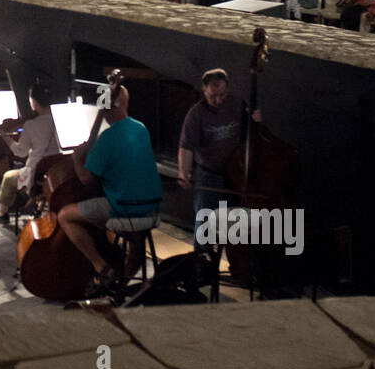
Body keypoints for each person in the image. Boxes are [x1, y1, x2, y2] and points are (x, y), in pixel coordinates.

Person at [56, 84, 162, 296]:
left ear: (107, 107)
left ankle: (102, 268)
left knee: (64, 215)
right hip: (152, 208)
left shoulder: (107, 138)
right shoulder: (141, 128)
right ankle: (122, 283)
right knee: (136, 237)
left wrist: (77, 159)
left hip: (123, 209)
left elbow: (87, 179)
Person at [178, 69, 261, 252]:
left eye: (222, 95)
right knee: (205, 222)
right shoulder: (196, 114)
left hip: (237, 175)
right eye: (212, 96)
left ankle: (236, 261)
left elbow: (252, 132)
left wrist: (256, 121)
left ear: (228, 89)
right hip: (209, 174)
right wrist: (184, 171)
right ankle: (202, 261)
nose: (218, 100)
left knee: (236, 224)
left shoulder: (238, 104)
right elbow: (186, 146)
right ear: (204, 90)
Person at [0, 84, 60, 221]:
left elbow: (20, 151)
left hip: (38, 172)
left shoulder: (32, 125)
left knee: (9, 177)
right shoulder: (61, 120)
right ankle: (35, 204)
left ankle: (1, 211)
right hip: (58, 170)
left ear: (34, 101)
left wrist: (4, 135)